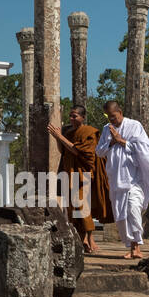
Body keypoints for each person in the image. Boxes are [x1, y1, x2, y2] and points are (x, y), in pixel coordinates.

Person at [96, 101, 149, 259]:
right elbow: (99, 152)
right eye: (109, 118)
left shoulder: (134, 125)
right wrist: (111, 141)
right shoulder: (106, 129)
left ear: (120, 112)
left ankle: (137, 246)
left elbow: (145, 149)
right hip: (116, 179)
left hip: (133, 179)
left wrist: (121, 141)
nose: (112, 121)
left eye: (114, 117)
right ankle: (131, 247)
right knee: (121, 217)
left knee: (133, 209)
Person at [48, 105, 103, 254]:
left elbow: (80, 152)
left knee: (81, 205)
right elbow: (63, 151)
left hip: (83, 173)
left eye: (75, 116)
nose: (72, 119)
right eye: (71, 116)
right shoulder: (68, 131)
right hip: (69, 172)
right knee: (72, 209)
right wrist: (57, 138)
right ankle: (81, 238)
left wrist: (60, 137)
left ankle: (90, 237)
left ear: (83, 117)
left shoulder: (89, 132)